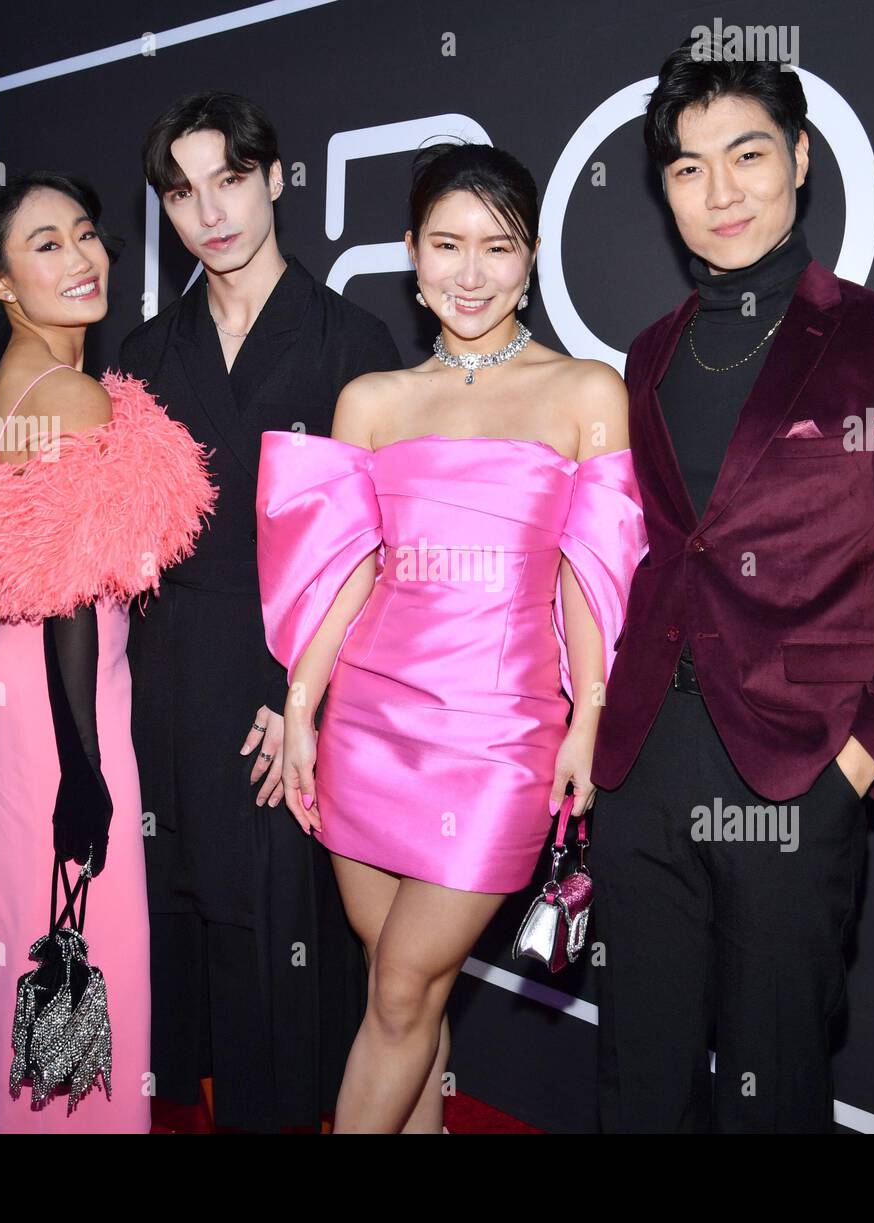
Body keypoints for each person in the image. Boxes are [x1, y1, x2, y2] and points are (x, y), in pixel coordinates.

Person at [590, 37, 874, 1132]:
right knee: (637, 1081)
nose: (718, 192)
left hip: (791, 776)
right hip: (636, 774)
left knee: (772, 1086)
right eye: (685, 166)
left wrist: (851, 768)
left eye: (747, 154)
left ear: (802, 158)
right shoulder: (648, 354)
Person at [256, 141, 649, 1133]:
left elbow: (590, 578)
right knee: (407, 992)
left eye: (497, 247)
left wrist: (586, 722)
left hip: (498, 735)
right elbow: (344, 572)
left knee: (396, 991)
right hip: (367, 722)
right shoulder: (373, 401)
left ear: (530, 257)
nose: (470, 274)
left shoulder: (587, 392)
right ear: (410, 251)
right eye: (446, 245)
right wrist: (300, 709)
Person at [0, 172, 217, 1132]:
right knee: (84, 937)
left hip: (34, 685)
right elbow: (72, 590)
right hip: (58, 695)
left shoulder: (26, 376)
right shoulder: (69, 392)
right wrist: (85, 770)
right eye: (46, 246)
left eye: (85, 234)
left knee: (35, 933)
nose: (81, 259)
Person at [118, 92, 402, 1132]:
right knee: (179, 911)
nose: (212, 212)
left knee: (281, 929)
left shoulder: (354, 340)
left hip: (293, 677)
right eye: (183, 192)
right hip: (165, 678)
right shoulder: (143, 355)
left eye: (230, 180)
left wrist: (309, 701)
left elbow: (378, 551)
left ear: (276, 178)